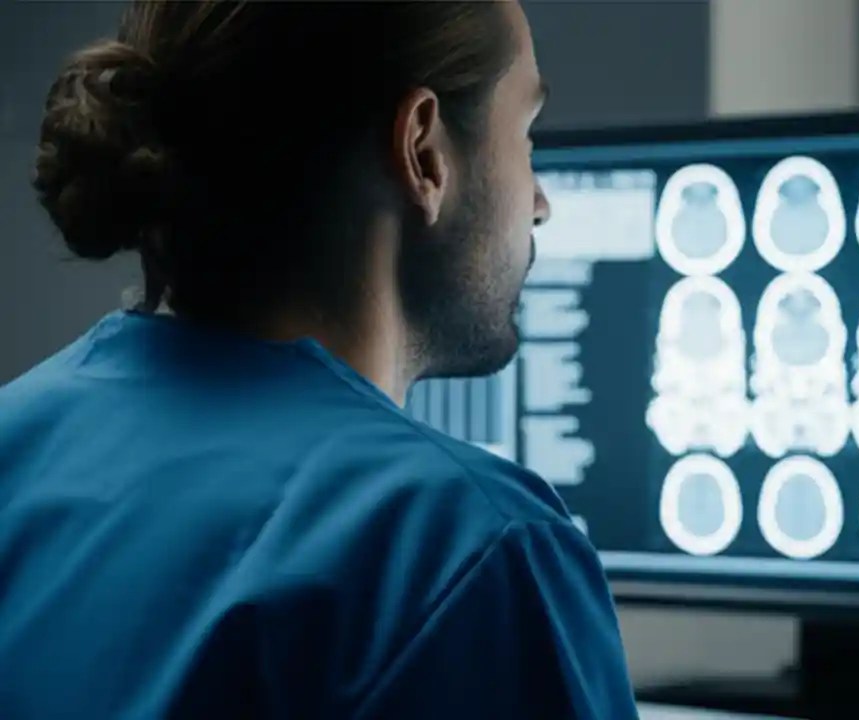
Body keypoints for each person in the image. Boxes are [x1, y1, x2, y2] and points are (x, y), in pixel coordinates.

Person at [0, 2, 639, 718]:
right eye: (525, 134)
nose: (541, 203)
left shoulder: (12, 444)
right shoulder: (467, 549)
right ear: (424, 151)